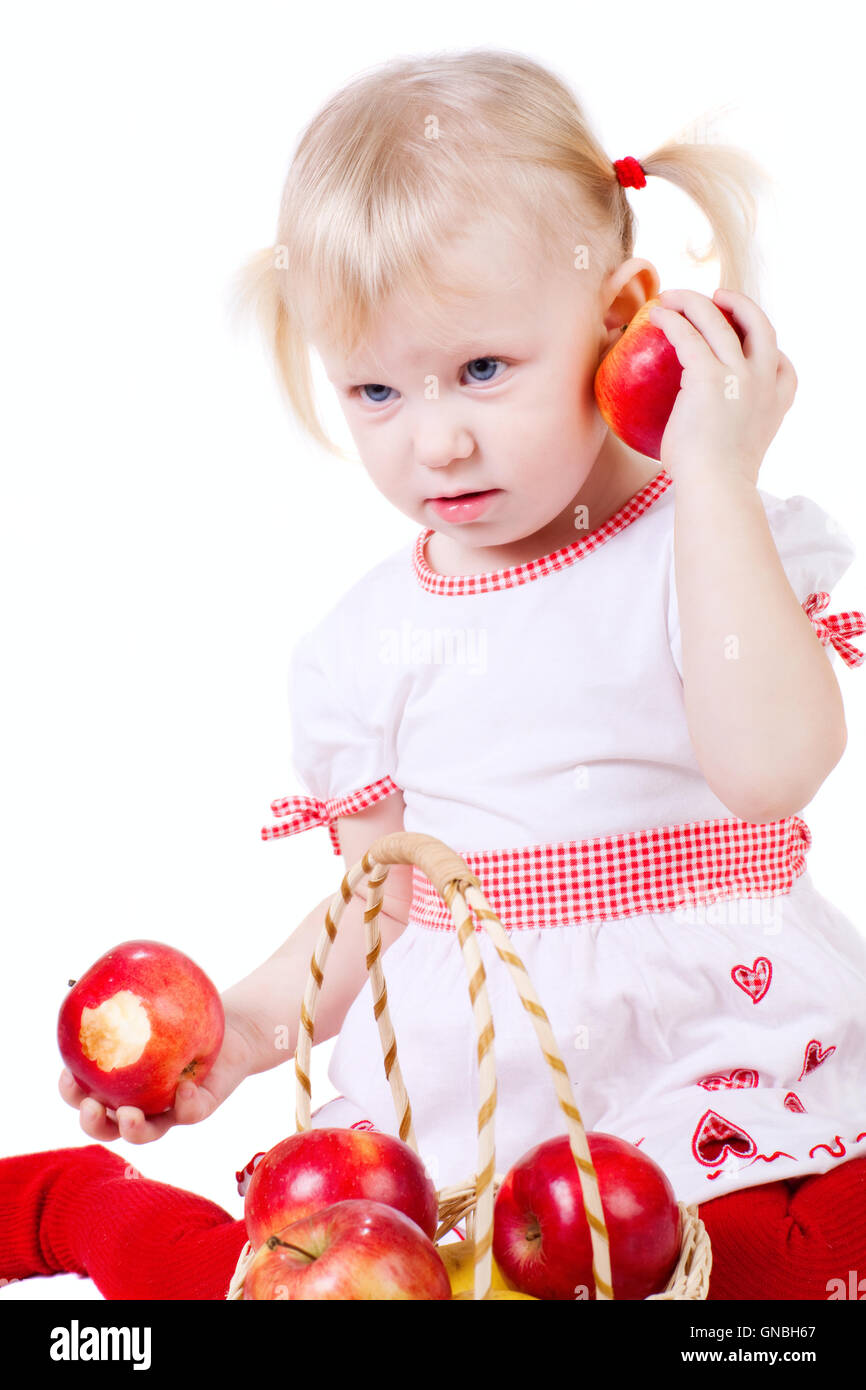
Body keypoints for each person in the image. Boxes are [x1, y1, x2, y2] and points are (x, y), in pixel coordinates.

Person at [4, 48, 866, 1303]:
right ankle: (88, 1209)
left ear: (622, 312)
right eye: (374, 390)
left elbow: (772, 772)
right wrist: (241, 1029)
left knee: (766, 1271)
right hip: (480, 1086)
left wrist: (716, 479)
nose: (436, 439)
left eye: (479, 370)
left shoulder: (716, 540)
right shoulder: (363, 647)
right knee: (324, 1277)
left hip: (714, 1054)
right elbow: (381, 897)